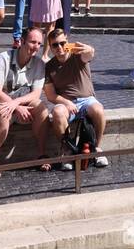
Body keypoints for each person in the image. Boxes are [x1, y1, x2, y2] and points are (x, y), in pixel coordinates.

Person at [0, 26, 52, 178]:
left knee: (41, 108)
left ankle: (41, 154)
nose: (36, 47)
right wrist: (14, 107)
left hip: (21, 104)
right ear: (21, 41)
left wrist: (17, 104)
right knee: (4, 112)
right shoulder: (4, 57)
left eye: (39, 44)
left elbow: (36, 93)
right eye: (32, 42)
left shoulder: (39, 64)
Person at [43, 31, 108, 166]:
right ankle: (67, 150)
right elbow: (50, 95)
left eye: (62, 43)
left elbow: (89, 54)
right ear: (50, 47)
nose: (59, 47)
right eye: (55, 45)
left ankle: (96, 148)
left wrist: (89, 49)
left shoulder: (78, 56)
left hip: (87, 100)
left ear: (67, 42)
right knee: (57, 113)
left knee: (98, 109)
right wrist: (66, 102)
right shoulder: (49, 66)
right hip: (66, 102)